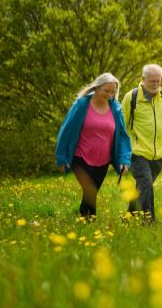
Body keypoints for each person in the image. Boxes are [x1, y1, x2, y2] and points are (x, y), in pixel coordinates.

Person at [55, 73, 132, 219]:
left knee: (92, 192)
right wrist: (61, 158)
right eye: (106, 91)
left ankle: (84, 222)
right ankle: (89, 222)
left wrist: (124, 160)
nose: (110, 94)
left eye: (112, 91)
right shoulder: (81, 105)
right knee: (90, 190)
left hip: (103, 160)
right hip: (80, 156)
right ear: (96, 88)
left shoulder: (115, 109)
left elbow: (122, 136)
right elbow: (66, 130)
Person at [122, 63, 162, 222]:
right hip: (137, 152)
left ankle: (128, 217)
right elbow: (121, 127)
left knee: (142, 188)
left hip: (158, 154)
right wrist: (122, 154)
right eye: (151, 81)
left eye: (158, 81)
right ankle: (149, 223)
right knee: (146, 185)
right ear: (143, 79)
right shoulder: (131, 97)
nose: (155, 84)